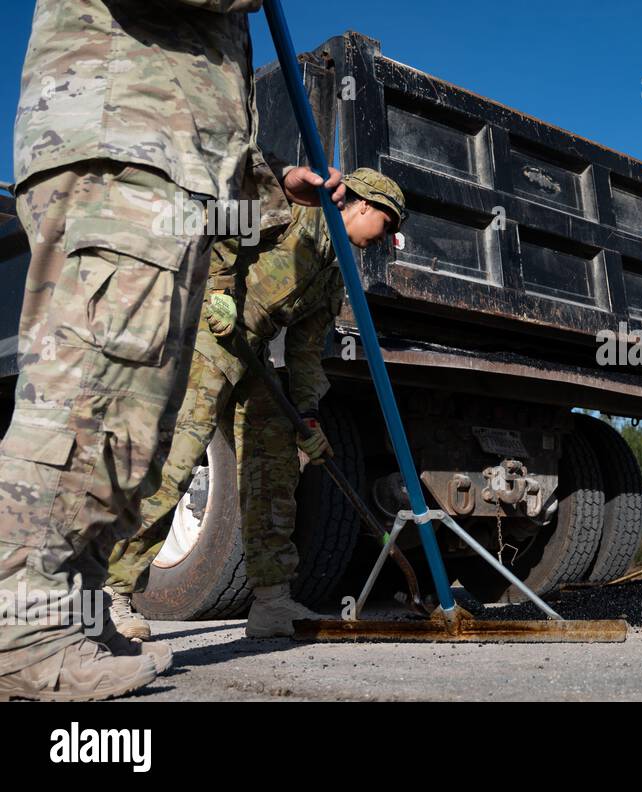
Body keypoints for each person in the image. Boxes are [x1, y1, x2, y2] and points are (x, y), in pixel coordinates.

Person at [0, 1, 343, 702]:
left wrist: (274, 178)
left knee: (129, 427)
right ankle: (23, 637)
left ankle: (76, 621)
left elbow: (202, 95)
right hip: (121, 151)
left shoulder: (327, 265)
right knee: (88, 405)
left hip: (170, 171)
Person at [105, 169, 405, 639]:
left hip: (251, 353)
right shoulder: (293, 213)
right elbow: (218, 222)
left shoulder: (332, 273)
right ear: (363, 205)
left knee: (275, 464)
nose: (385, 238)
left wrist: (307, 415)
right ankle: (113, 593)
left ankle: (272, 603)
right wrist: (222, 289)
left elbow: (306, 350)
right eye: (387, 225)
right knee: (177, 459)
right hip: (207, 331)